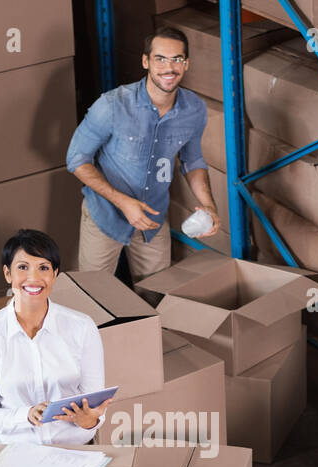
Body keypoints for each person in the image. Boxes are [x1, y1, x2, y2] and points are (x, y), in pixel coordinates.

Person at [66, 25, 220, 279]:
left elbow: (192, 161)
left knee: (156, 298)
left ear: (186, 64)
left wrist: (208, 205)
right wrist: (123, 202)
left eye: (176, 59)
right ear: (146, 61)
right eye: (160, 59)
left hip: (153, 219)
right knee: (94, 297)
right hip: (105, 215)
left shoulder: (194, 110)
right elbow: (76, 159)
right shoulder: (112, 105)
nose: (169, 68)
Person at [0, 229, 109, 445]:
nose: (33, 278)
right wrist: (26, 415)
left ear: (54, 275)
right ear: (7, 274)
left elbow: (95, 404)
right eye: (23, 267)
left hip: (72, 449)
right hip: (12, 452)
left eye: (43, 268)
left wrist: (89, 421)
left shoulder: (82, 327)